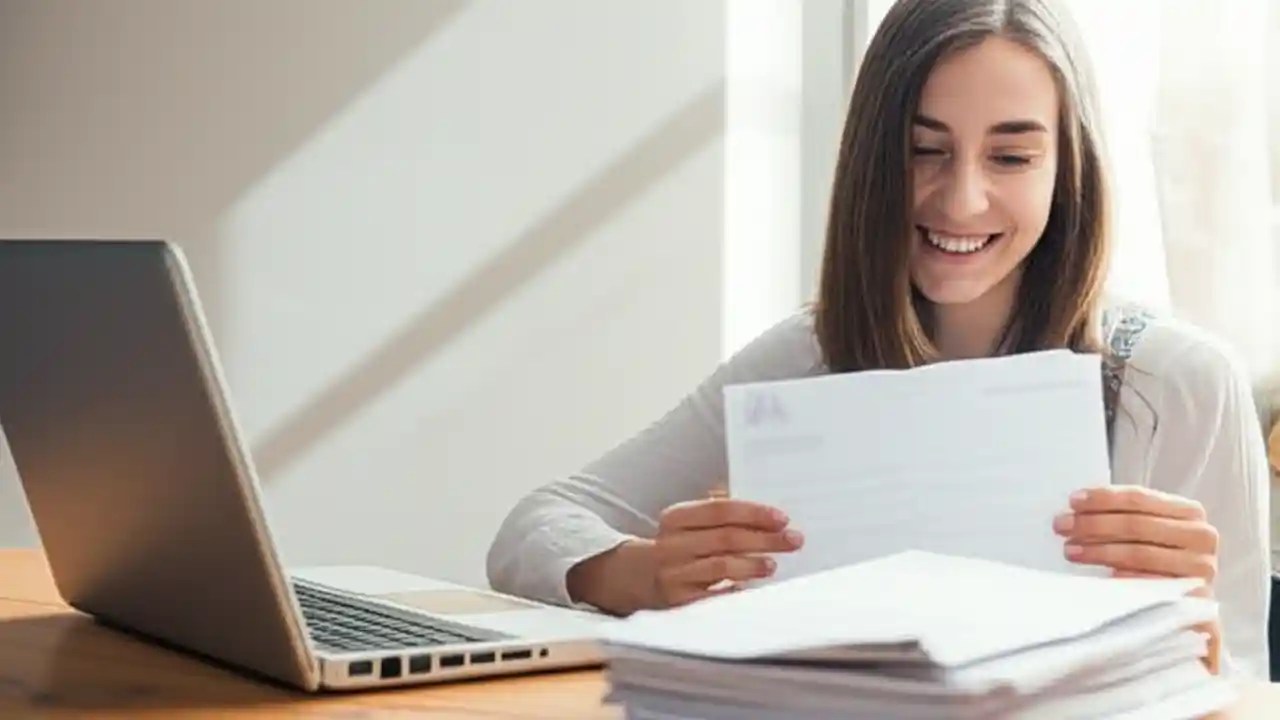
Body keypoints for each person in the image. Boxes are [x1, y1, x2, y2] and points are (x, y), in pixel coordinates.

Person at [486, 0, 1272, 679]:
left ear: (1067, 170)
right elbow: (533, 527)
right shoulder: (808, 357)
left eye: (1011, 156)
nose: (962, 198)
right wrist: (647, 574)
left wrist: (1188, 620)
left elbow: (1241, 683)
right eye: (924, 150)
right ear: (871, 159)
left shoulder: (1178, 384)